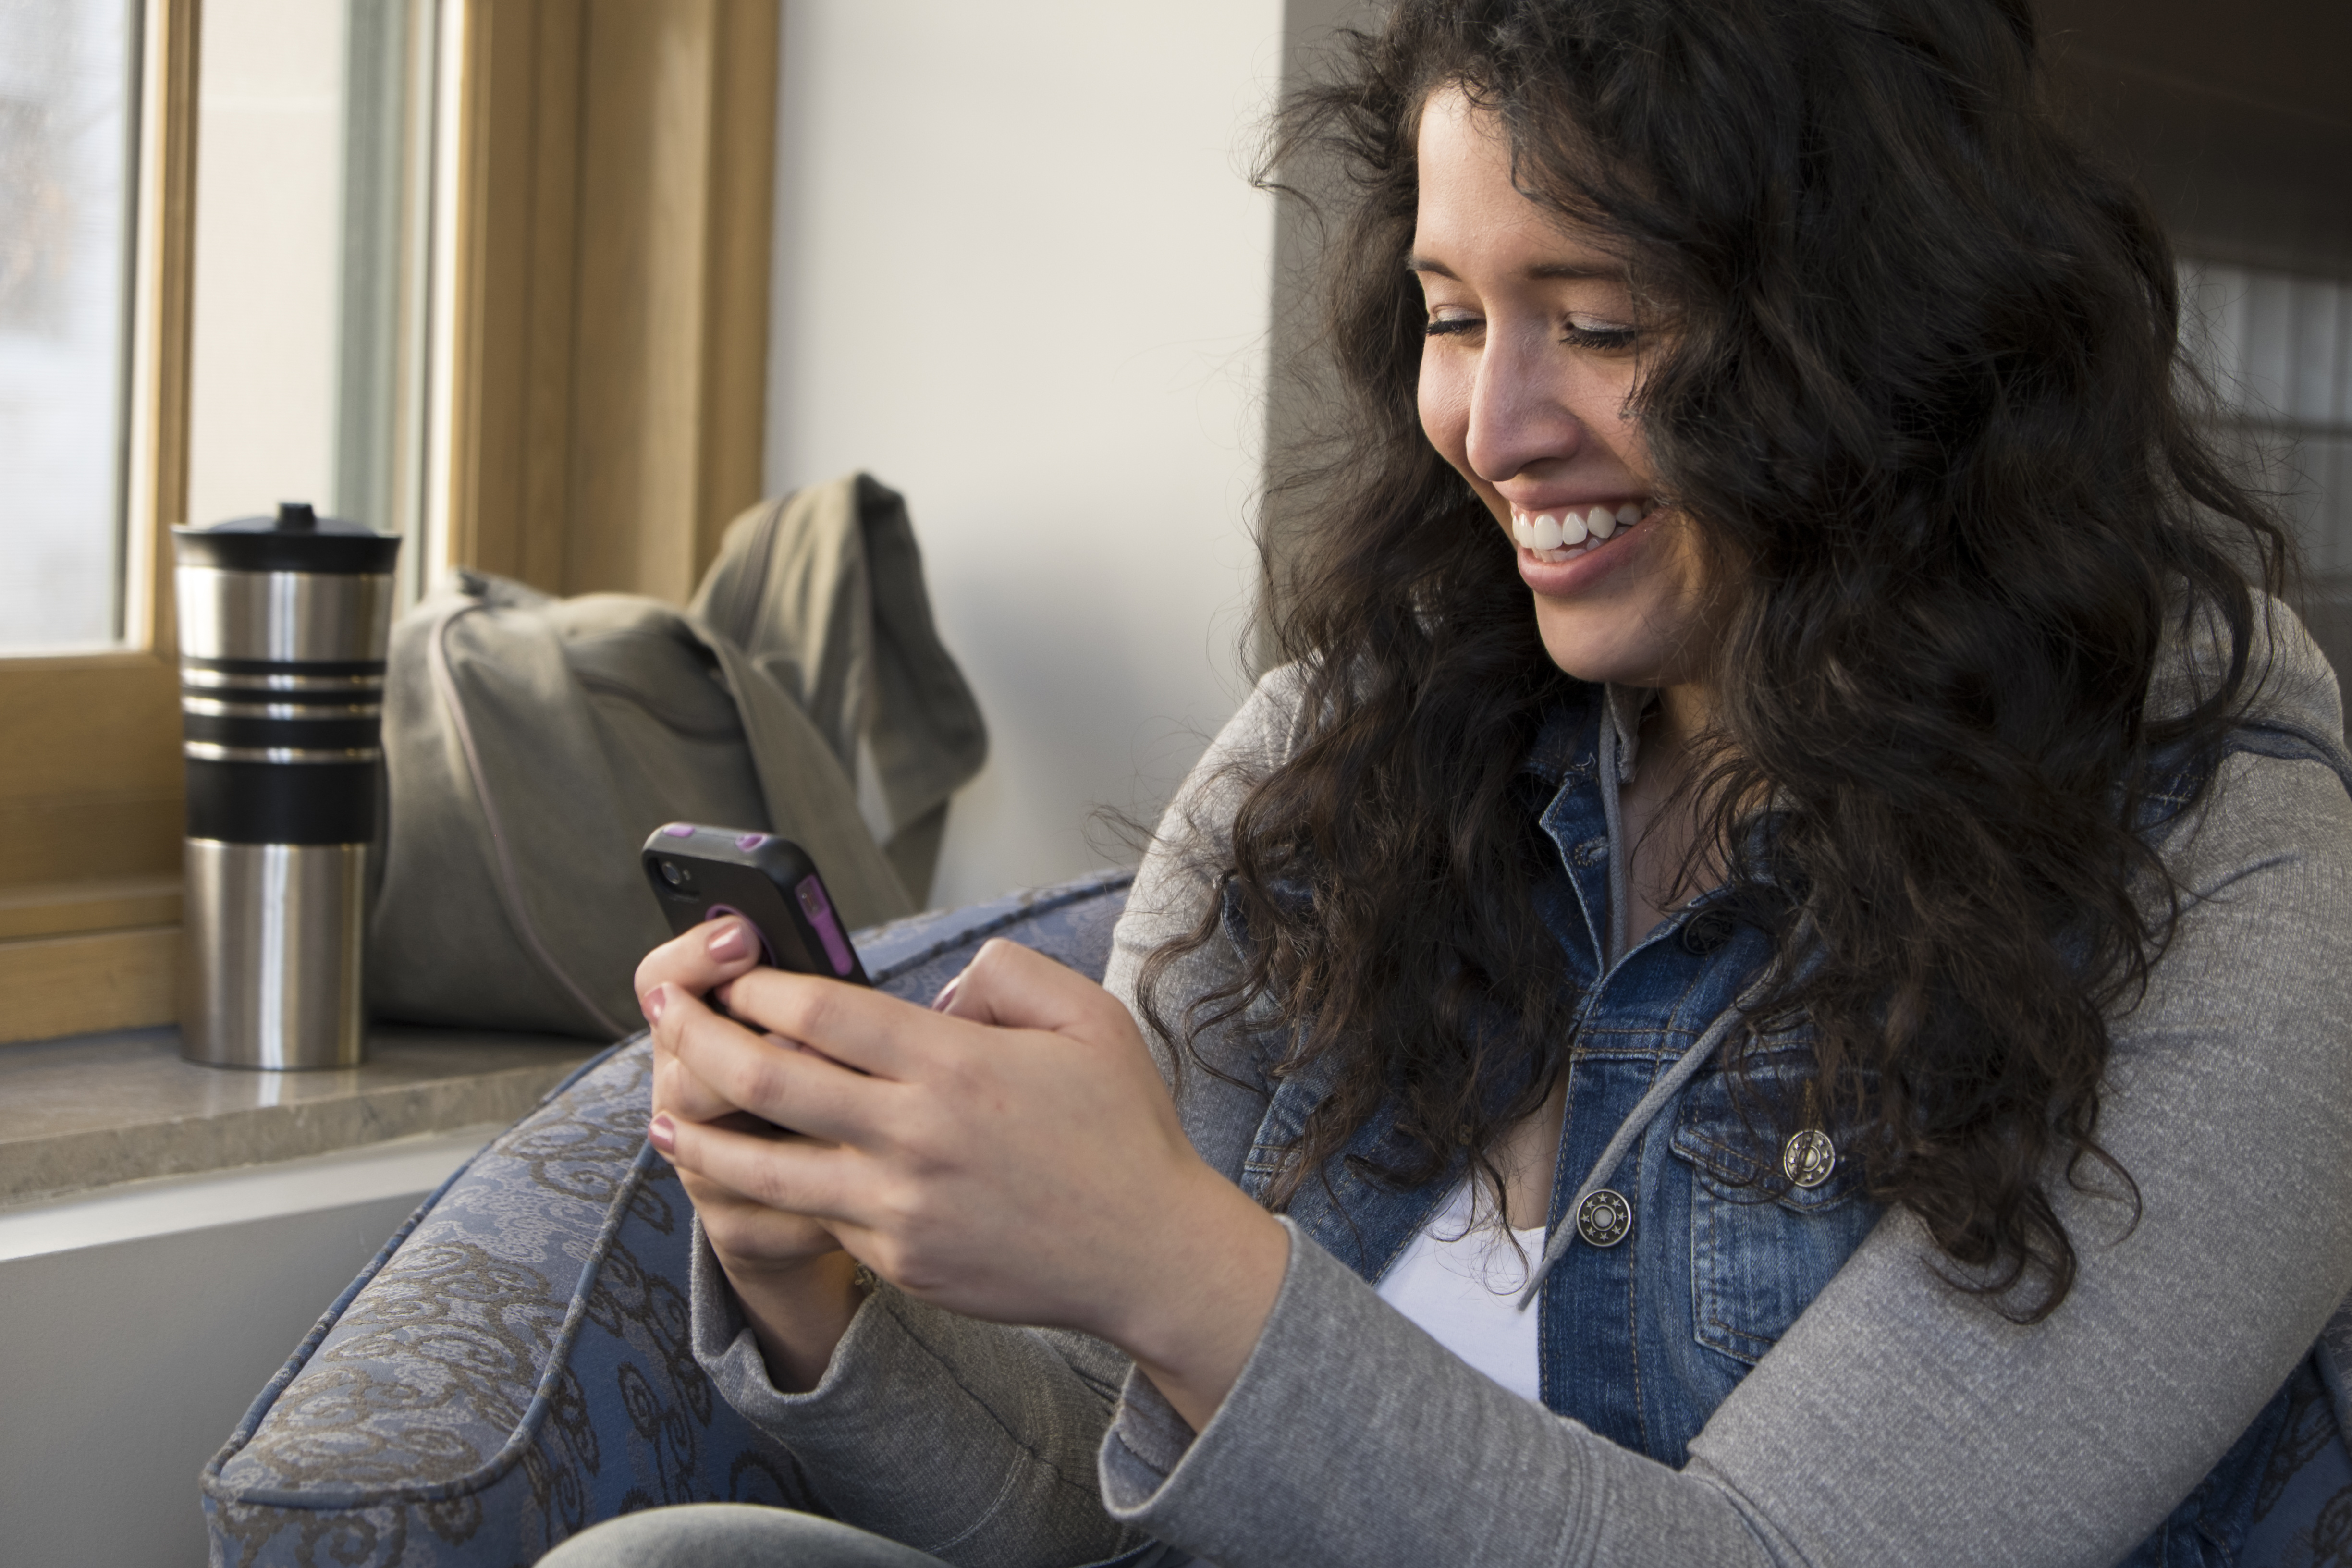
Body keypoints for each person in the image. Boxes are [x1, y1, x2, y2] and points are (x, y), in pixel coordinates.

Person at [542, 0, 2352, 1563]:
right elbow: (1090, 1510)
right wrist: (812, 1269)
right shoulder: (1359, 747)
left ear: (1890, 330)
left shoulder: (2230, 879)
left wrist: (1178, 1263)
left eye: (1608, 319)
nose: (1496, 428)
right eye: (1455, 312)